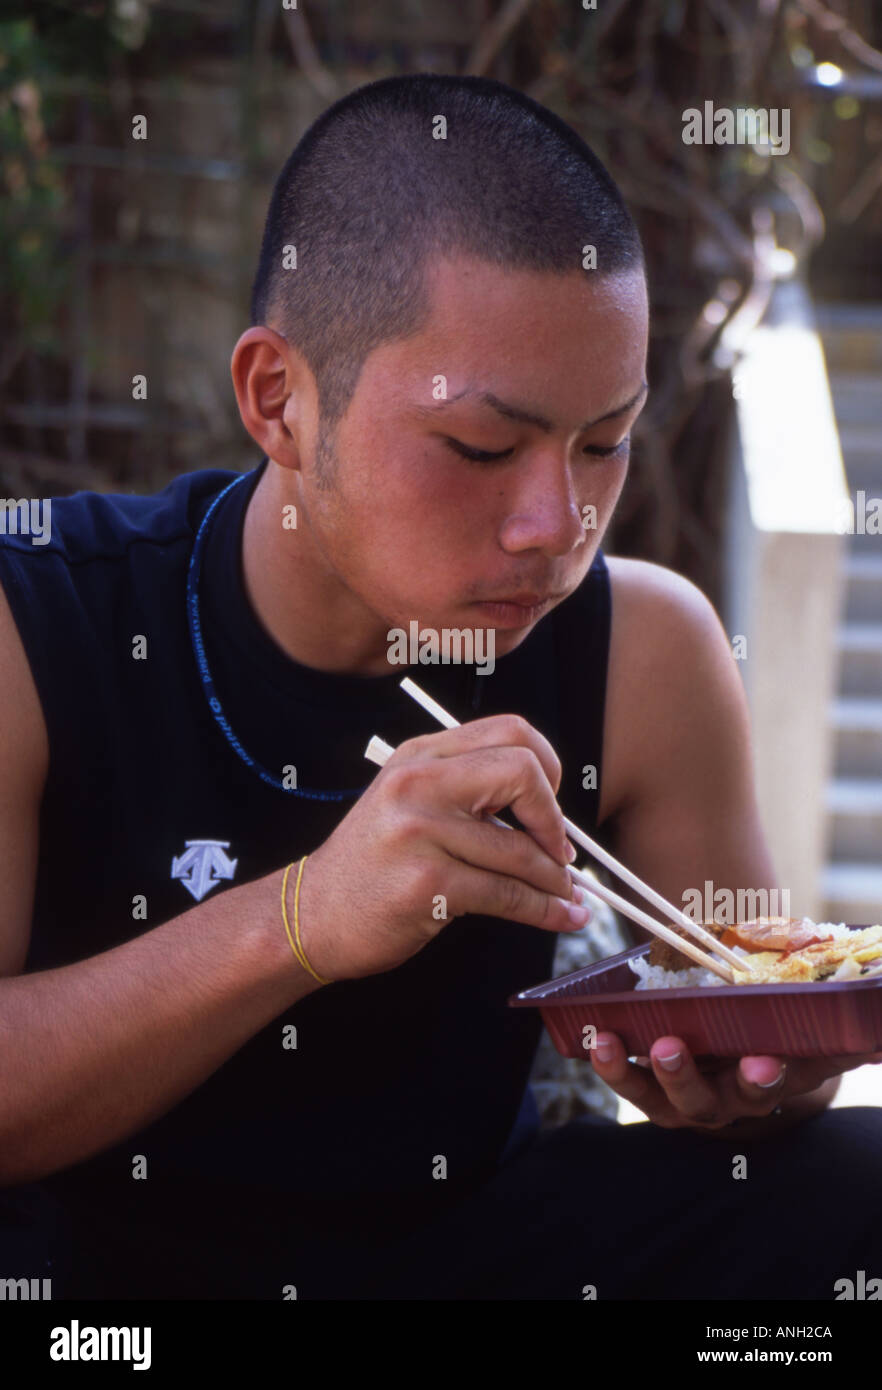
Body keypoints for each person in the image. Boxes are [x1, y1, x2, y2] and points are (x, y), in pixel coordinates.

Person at [1, 72, 880, 1302]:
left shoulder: (641, 650)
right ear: (280, 402)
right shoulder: (42, 617)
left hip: (465, 1270)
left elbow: (754, 1064)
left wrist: (757, 1082)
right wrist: (302, 918)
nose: (554, 524)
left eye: (605, 441)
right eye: (481, 447)